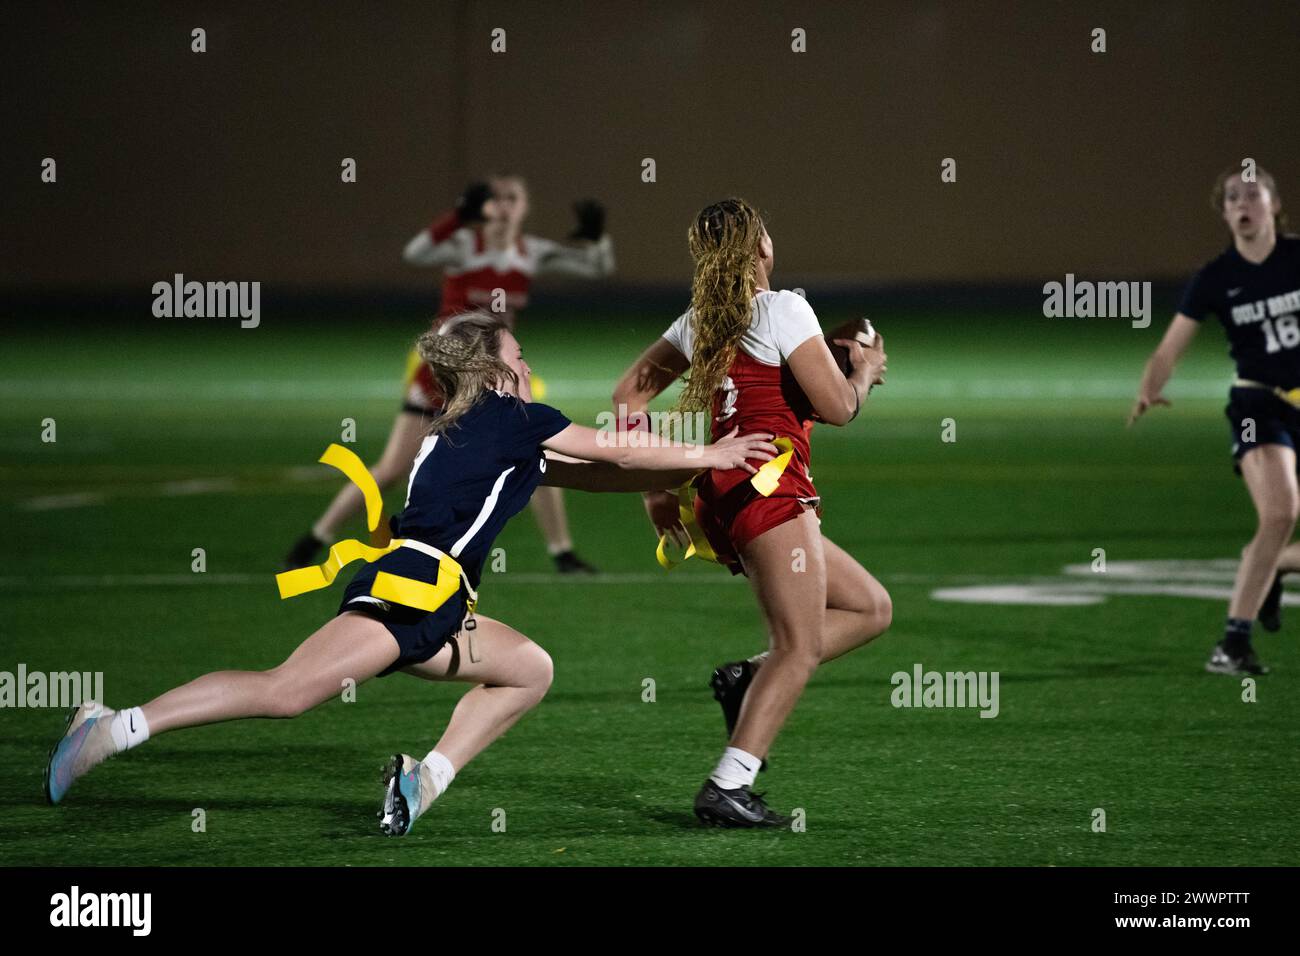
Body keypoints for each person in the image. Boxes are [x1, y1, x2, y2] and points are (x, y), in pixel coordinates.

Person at [46, 312, 776, 836]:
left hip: (438, 602)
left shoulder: (483, 428)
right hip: (410, 594)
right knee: (286, 693)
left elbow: (587, 475)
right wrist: (709, 456)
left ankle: (421, 781)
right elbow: (613, 449)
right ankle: (114, 727)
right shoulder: (507, 413)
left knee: (529, 669)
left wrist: (686, 487)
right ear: (493, 368)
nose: (528, 365)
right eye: (520, 356)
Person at [610, 198, 892, 827]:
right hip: (768, 490)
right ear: (761, 248)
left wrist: (656, 489)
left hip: (725, 494)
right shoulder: (786, 307)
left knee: (871, 608)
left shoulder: (698, 321)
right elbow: (840, 408)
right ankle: (728, 785)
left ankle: (747, 679)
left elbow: (627, 395)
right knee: (800, 646)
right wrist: (866, 370)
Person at [284, 175, 615, 574]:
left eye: (514, 198)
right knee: (392, 467)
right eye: (497, 198)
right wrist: (456, 217)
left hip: (498, 374)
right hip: (445, 372)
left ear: (525, 207)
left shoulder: (531, 252)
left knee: (538, 452)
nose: (505, 206)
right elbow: (415, 252)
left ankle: (562, 551)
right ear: (484, 206)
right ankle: (318, 535)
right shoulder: (464, 245)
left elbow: (599, 268)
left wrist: (596, 237)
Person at [1130, 165, 1299, 675]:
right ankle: (1233, 644)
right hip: (1257, 405)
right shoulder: (1217, 278)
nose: (1242, 204)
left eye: (1252, 194)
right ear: (1225, 213)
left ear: (1273, 204)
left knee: (1275, 534)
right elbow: (1171, 346)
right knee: (1279, 513)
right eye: (1232, 197)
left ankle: (1272, 570)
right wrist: (1149, 388)